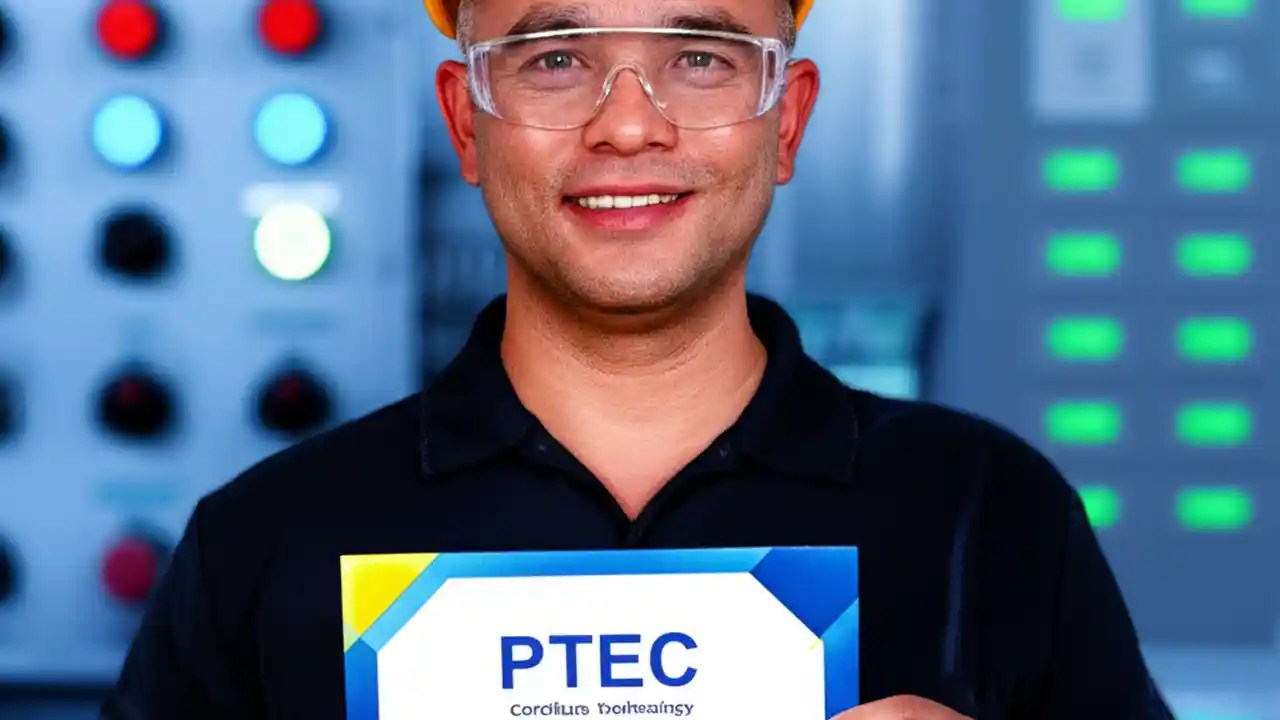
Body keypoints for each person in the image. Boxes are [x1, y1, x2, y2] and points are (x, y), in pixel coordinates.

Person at [101, 0, 1176, 718]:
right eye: (555, 59)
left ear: (787, 123)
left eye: (699, 59)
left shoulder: (981, 513)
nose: (626, 127)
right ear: (465, 123)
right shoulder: (266, 541)